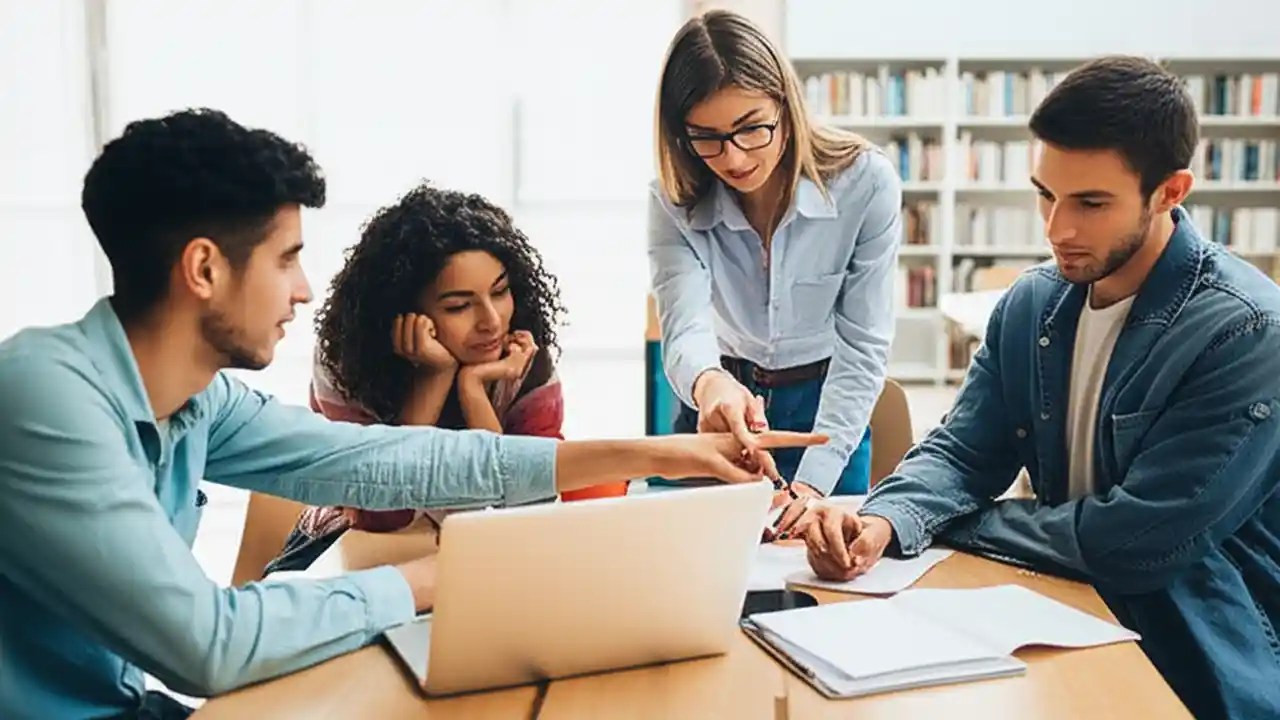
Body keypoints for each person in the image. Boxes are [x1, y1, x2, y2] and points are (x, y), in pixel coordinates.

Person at [0, 108, 824, 719]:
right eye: (286, 259)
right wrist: (436, 579)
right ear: (205, 269)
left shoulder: (196, 400)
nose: (303, 288)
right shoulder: (44, 399)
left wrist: (662, 455)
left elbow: (394, 463)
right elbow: (207, 645)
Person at [803, 56, 1280, 719]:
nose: (1057, 229)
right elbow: (966, 451)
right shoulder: (1031, 305)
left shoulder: (1249, 331)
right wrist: (885, 519)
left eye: (1090, 203)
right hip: (1059, 613)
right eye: (1045, 195)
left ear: (1170, 191)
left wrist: (965, 524)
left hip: (1201, 647)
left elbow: (1139, 541)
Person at [648, 9, 902, 540]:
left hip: (827, 403)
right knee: (700, 573)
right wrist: (711, 384)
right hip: (722, 396)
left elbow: (862, 347)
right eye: (707, 137)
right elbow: (684, 324)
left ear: (787, 106)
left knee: (826, 569)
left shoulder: (866, 183)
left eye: (751, 129)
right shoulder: (673, 197)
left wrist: (811, 488)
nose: (734, 158)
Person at [263, 181, 599, 575]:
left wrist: (474, 392)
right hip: (354, 558)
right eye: (459, 306)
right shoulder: (345, 364)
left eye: (501, 292)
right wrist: (435, 377)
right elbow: (381, 513)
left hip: (480, 566)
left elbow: (527, 510)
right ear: (401, 310)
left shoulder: (523, 360)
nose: (491, 321)